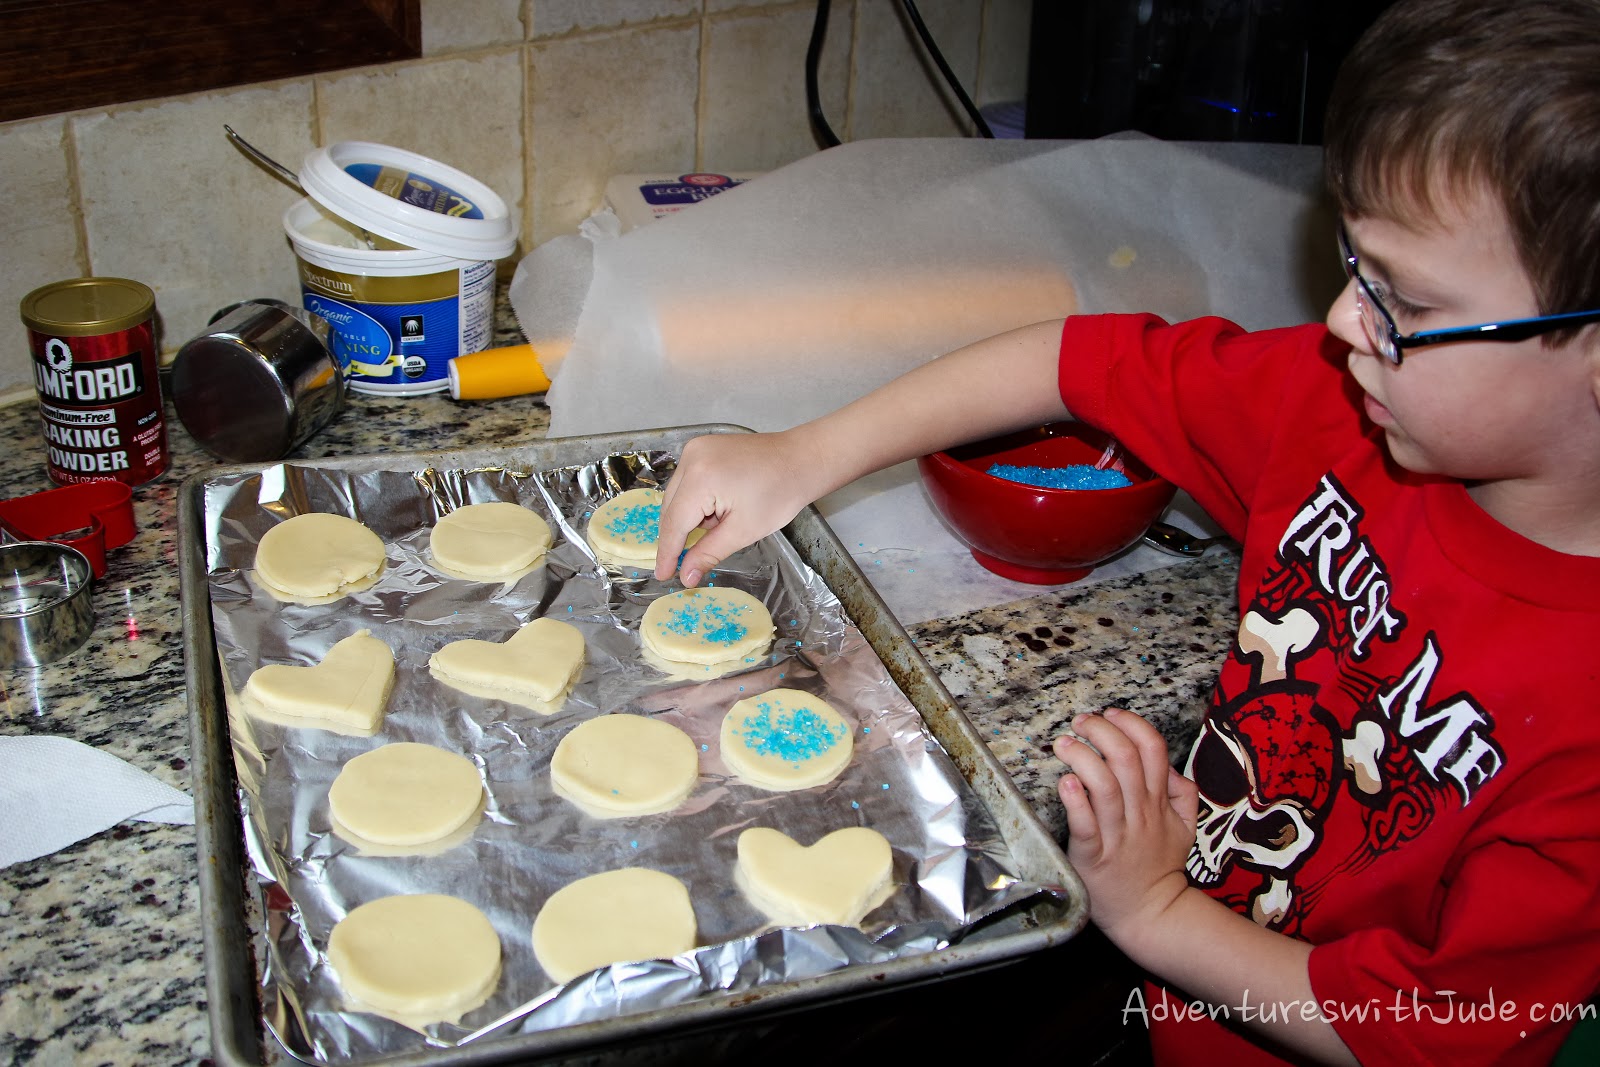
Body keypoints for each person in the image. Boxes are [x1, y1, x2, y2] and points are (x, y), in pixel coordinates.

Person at [649, 0, 1600, 1062]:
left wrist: (1154, 910)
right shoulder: (1334, 409)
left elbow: (1428, 1031)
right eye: (1351, 266)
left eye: (1406, 304)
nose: (1339, 321)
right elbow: (1077, 360)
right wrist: (809, 450)